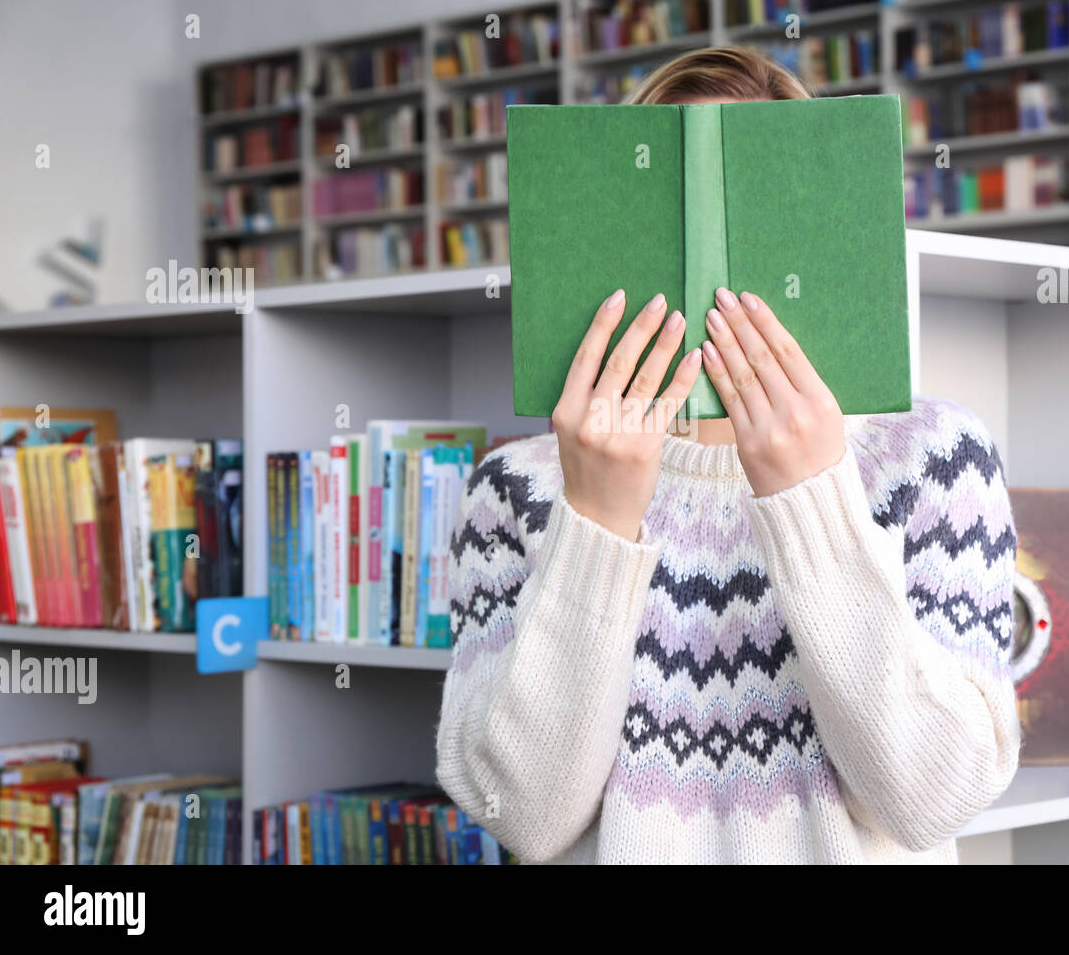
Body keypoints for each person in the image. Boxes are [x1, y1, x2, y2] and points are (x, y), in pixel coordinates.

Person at [436, 46, 1021, 864]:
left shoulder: (934, 458)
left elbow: (930, 801)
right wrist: (598, 516)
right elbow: (525, 818)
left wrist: (813, 494)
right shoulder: (518, 486)